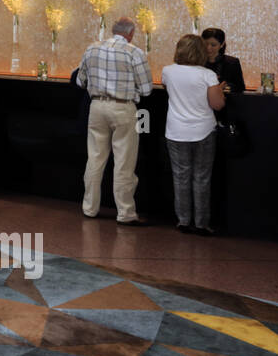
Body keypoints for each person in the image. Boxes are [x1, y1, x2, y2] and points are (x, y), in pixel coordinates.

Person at [75, 16, 153, 225]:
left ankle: (89, 208)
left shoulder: (92, 49)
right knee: (124, 162)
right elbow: (146, 89)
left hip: (97, 107)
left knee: (95, 158)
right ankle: (125, 213)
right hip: (123, 108)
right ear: (131, 33)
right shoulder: (135, 52)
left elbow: (80, 80)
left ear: (113, 30)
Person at [162, 34, 226, 236]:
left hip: (176, 131)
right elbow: (217, 104)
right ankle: (201, 224)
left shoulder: (168, 71)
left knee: (180, 177)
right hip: (203, 131)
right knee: (201, 178)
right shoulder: (207, 75)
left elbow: (171, 90)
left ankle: (183, 221)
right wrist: (219, 91)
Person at [200, 27, 243, 121]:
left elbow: (240, 87)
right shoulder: (197, 62)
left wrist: (225, 88)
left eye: (213, 45)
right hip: (201, 110)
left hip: (224, 110)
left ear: (222, 44)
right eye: (205, 44)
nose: (208, 48)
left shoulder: (232, 62)